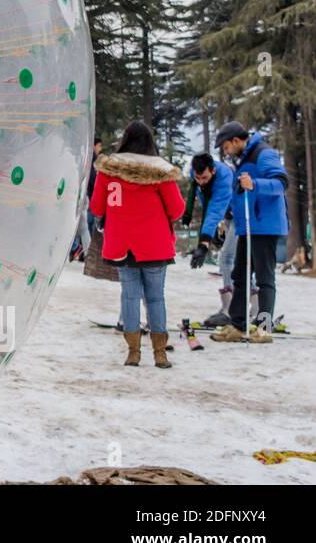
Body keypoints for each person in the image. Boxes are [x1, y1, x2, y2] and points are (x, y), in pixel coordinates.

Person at [89, 121, 185, 368]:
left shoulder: (109, 169)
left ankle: (133, 352)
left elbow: (97, 207)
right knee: (155, 298)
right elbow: (176, 210)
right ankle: (160, 353)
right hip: (155, 245)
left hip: (121, 245)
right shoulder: (160, 171)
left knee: (129, 297)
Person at [210, 122, 287, 343]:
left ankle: (264, 325)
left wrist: (255, 183)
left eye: (225, 147)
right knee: (240, 275)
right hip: (248, 227)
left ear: (236, 141)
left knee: (264, 276)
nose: (225, 152)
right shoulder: (241, 160)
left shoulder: (264, 153)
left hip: (265, 225)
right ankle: (238, 324)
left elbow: (281, 183)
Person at [181, 151, 236, 325]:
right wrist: (212, 234)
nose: (201, 182)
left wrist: (204, 244)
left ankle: (230, 311)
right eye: (198, 178)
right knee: (233, 260)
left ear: (212, 171)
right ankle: (236, 308)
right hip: (227, 217)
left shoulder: (224, 177)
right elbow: (206, 205)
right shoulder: (196, 174)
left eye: (204, 178)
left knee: (228, 258)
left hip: (240, 215)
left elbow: (214, 210)